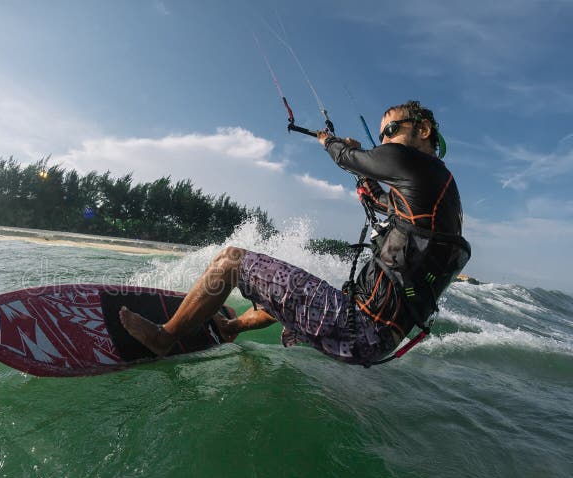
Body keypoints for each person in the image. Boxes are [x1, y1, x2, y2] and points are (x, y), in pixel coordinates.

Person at [120, 100, 471, 366]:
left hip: (358, 327)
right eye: (382, 136)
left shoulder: (415, 162)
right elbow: (385, 203)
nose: (386, 141)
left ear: (422, 130)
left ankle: (164, 337)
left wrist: (331, 142)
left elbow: (351, 158)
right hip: (379, 338)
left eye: (391, 131)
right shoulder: (443, 197)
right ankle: (232, 329)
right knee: (297, 292)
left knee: (231, 261)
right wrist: (366, 179)